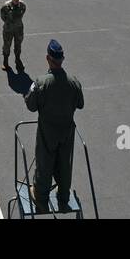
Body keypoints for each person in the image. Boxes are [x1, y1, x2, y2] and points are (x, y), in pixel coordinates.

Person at [24, 39, 84, 215]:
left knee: (44, 163)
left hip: (47, 132)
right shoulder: (74, 82)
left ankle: (41, 198)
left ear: (48, 58)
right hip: (66, 132)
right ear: (62, 59)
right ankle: (63, 199)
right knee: (65, 164)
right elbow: (80, 104)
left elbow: (31, 105)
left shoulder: (41, 82)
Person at [0, 0, 26, 73]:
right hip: (8, 29)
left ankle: (17, 59)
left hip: (19, 29)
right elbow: (3, 17)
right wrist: (9, 23)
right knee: (7, 45)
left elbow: (22, 13)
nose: (17, 1)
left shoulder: (22, 5)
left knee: (18, 45)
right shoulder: (5, 6)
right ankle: (5, 61)